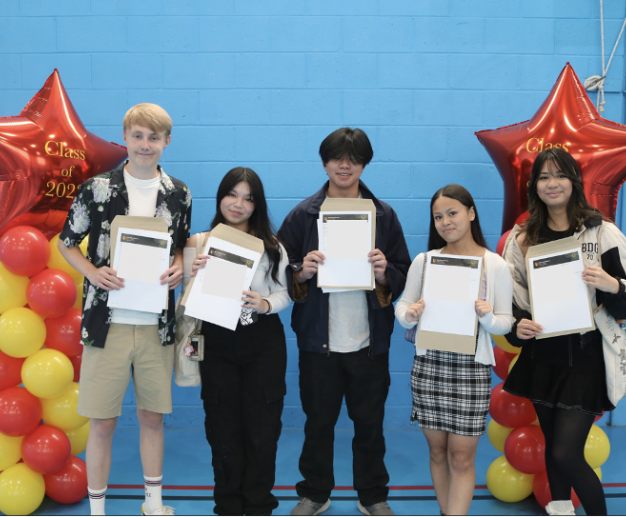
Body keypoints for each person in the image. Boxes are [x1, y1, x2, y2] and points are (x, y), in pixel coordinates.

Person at [58, 103, 191, 516]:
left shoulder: (179, 193)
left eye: (154, 137)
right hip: (106, 325)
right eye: (137, 136)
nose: (145, 145)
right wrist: (92, 272)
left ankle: (153, 502)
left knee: (153, 419)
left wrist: (180, 267)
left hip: (155, 326)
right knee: (102, 423)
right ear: (126, 139)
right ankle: (97, 510)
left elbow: (183, 247)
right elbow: (66, 242)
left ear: (166, 142)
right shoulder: (96, 189)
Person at [501, 148, 626, 516]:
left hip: (585, 356)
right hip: (542, 355)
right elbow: (511, 301)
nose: (552, 184)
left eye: (560, 175)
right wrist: (519, 324)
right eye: (544, 177)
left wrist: (609, 283)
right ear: (534, 186)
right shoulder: (523, 238)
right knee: (552, 446)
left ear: (574, 182)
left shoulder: (602, 232)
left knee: (566, 451)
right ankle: (560, 510)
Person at [277, 128, 411, 516]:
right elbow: (278, 271)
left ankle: (372, 495)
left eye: (353, 158)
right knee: (317, 423)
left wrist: (385, 273)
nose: (345, 164)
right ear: (325, 163)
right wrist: (302, 272)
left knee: (369, 426)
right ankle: (315, 493)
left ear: (364, 163)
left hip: (369, 342)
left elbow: (402, 270)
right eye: (337, 157)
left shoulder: (383, 215)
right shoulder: (304, 214)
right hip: (319, 342)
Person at [395, 185, 514, 516]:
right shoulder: (426, 261)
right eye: (438, 217)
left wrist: (488, 317)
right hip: (430, 365)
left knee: (461, 456)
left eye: (452, 213)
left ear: (471, 213)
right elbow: (403, 303)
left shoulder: (494, 265)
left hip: (470, 369)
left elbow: (505, 322)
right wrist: (409, 313)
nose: (445, 222)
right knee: (437, 452)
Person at [186, 167, 292, 515]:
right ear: (220, 197)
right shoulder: (200, 243)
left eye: (248, 198)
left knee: (262, 430)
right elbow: (184, 299)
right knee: (222, 428)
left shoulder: (273, 247)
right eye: (232, 194)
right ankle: (228, 504)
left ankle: (260, 503)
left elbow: (283, 295)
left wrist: (263, 304)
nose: (238, 204)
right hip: (217, 342)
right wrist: (193, 273)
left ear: (257, 205)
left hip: (263, 343)